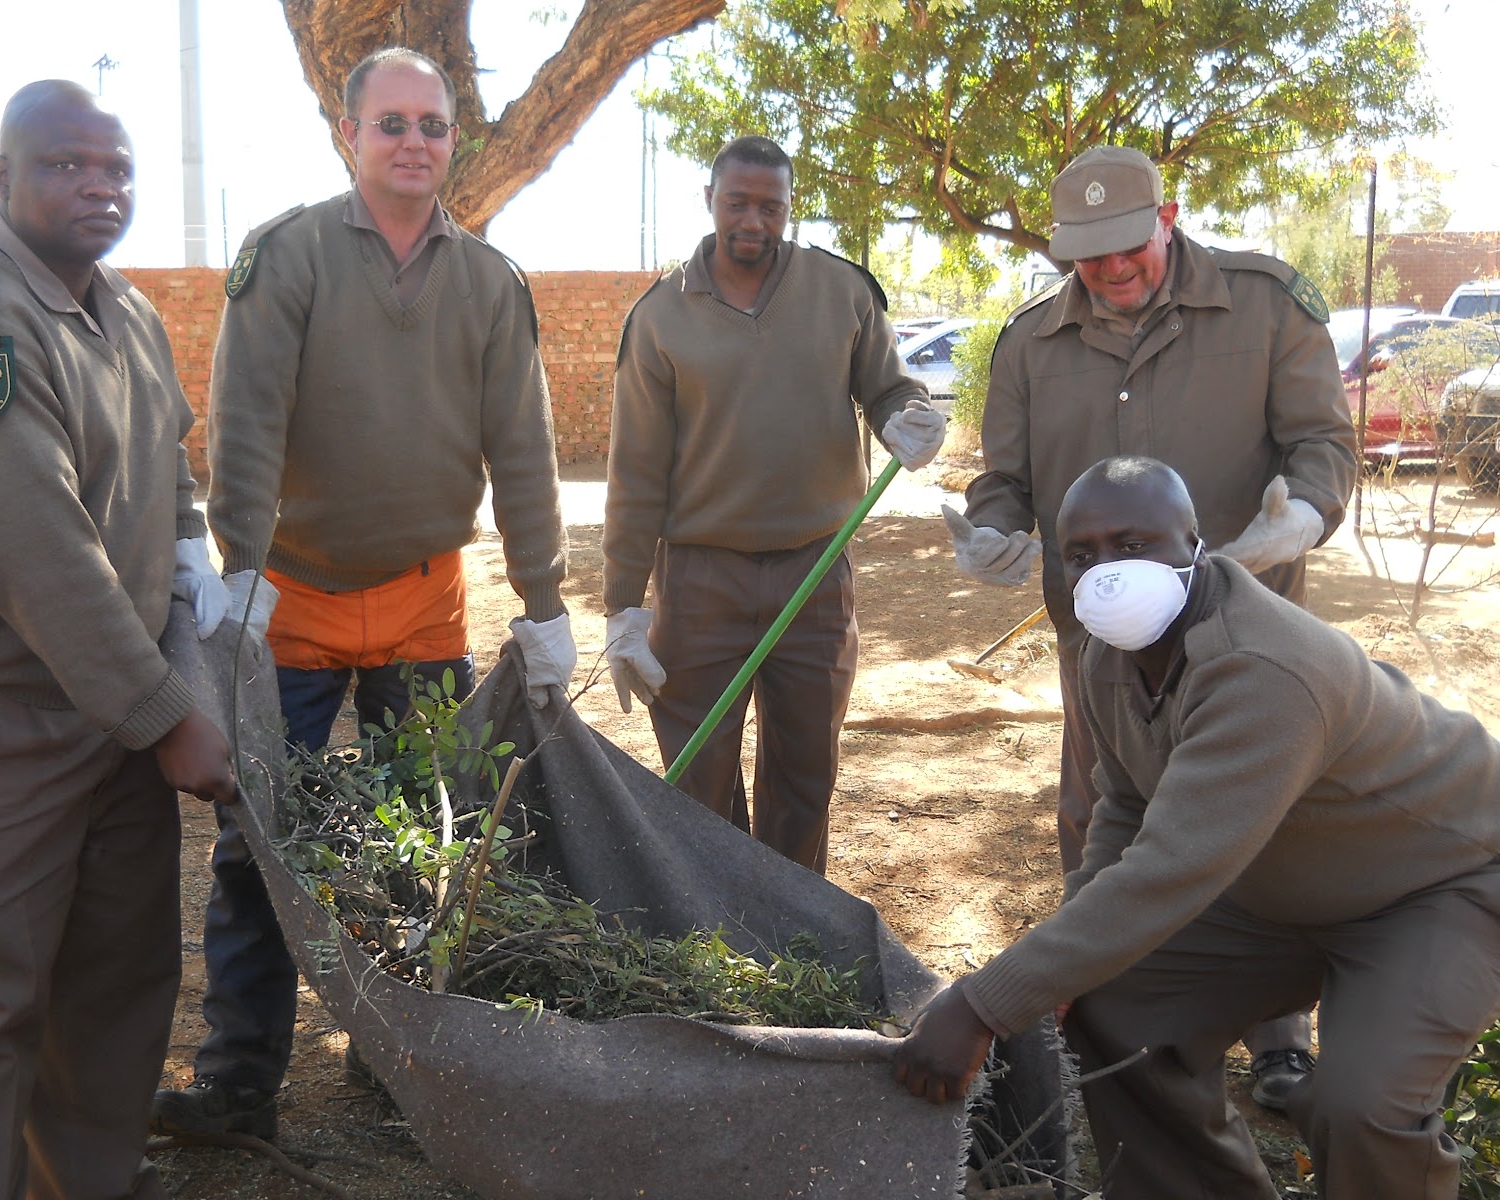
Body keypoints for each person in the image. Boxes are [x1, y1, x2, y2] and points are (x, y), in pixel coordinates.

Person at [151, 47, 574, 1139]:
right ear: (348, 135)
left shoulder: (491, 283)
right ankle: (240, 1084)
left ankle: (406, 1077)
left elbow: (522, 453)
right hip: (289, 604)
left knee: (430, 850)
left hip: (425, 605)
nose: (414, 144)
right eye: (391, 124)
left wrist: (546, 600)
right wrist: (238, 565)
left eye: (432, 126)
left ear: (451, 140)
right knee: (258, 847)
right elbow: (245, 418)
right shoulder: (284, 257)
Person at [895, 455, 1500, 1199]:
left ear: (1194, 542)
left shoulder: (1264, 668)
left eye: (1132, 544)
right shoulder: (1105, 656)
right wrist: (1067, 959)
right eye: (1080, 554)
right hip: (1279, 883)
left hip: (1434, 883)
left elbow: (1173, 866)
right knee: (1114, 1008)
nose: (1105, 571)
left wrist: (984, 1001)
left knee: (1365, 1108)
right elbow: (1124, 805)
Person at [948, 144, 1357, 1109]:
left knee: (1261, 818)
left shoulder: (1262, 306)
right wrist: (999, 530)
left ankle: (1277, 1030)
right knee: (1100, 814)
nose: (1111, 268)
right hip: (1097, 639)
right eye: (1087, 254)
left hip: (1246, 626)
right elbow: (1003, 478)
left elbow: (1322, 442)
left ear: (1167, 216)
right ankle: (1106, 1003)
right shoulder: (1029, 343)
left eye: (1128, 244)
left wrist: (1302, 512)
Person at [0, 80, 236, 1199]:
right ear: (2, 178)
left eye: (119, 168)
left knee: (115, 993)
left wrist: (195, 583)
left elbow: (170, 477)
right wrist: (172, 717)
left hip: (112, 719)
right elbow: (37, 553)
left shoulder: (126, 314)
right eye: (65, 165)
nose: (101, 187)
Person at [601, 135, 946, 875]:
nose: (753, 220)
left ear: (789, 208)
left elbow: (887, 387)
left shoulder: (841, 291)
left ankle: (797, 940)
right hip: (699, 582)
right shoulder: (661, 316)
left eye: (771, 206)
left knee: (805, 772)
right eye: (737, 203)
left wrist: (904, 418)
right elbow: (635, 472)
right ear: (709, 202)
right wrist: (624, 607)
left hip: (815, 575)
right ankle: (716, 938)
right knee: (697, 781)